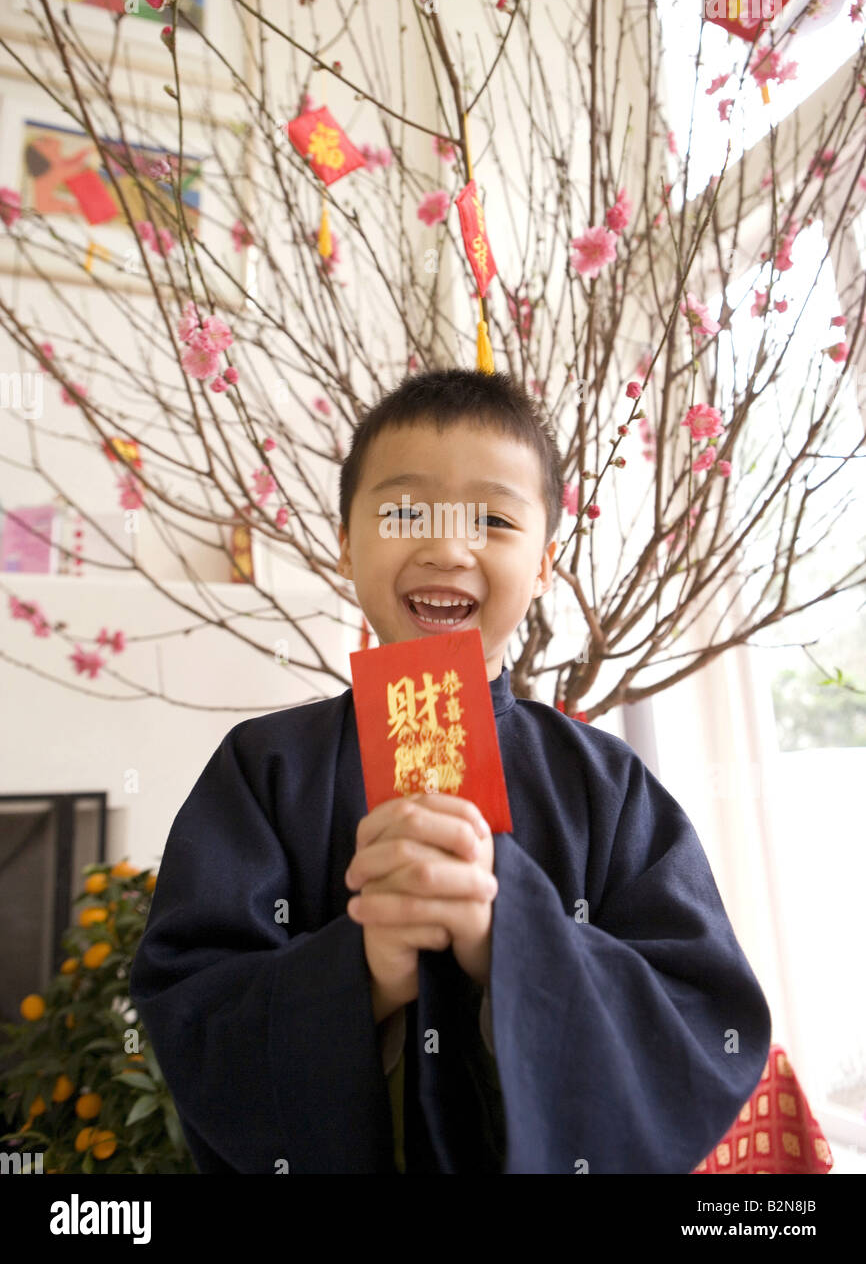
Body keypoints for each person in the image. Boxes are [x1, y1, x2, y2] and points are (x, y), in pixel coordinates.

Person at [129, 368, 772, 1174]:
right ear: (344, 545)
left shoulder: (607, 785)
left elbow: (705, 1021)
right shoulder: (264, 770)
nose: (445, 546)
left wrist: (515, 940)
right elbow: (189, 1005)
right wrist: (356, 972)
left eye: (494, 518)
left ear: (544, 564)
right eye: (402, 511)